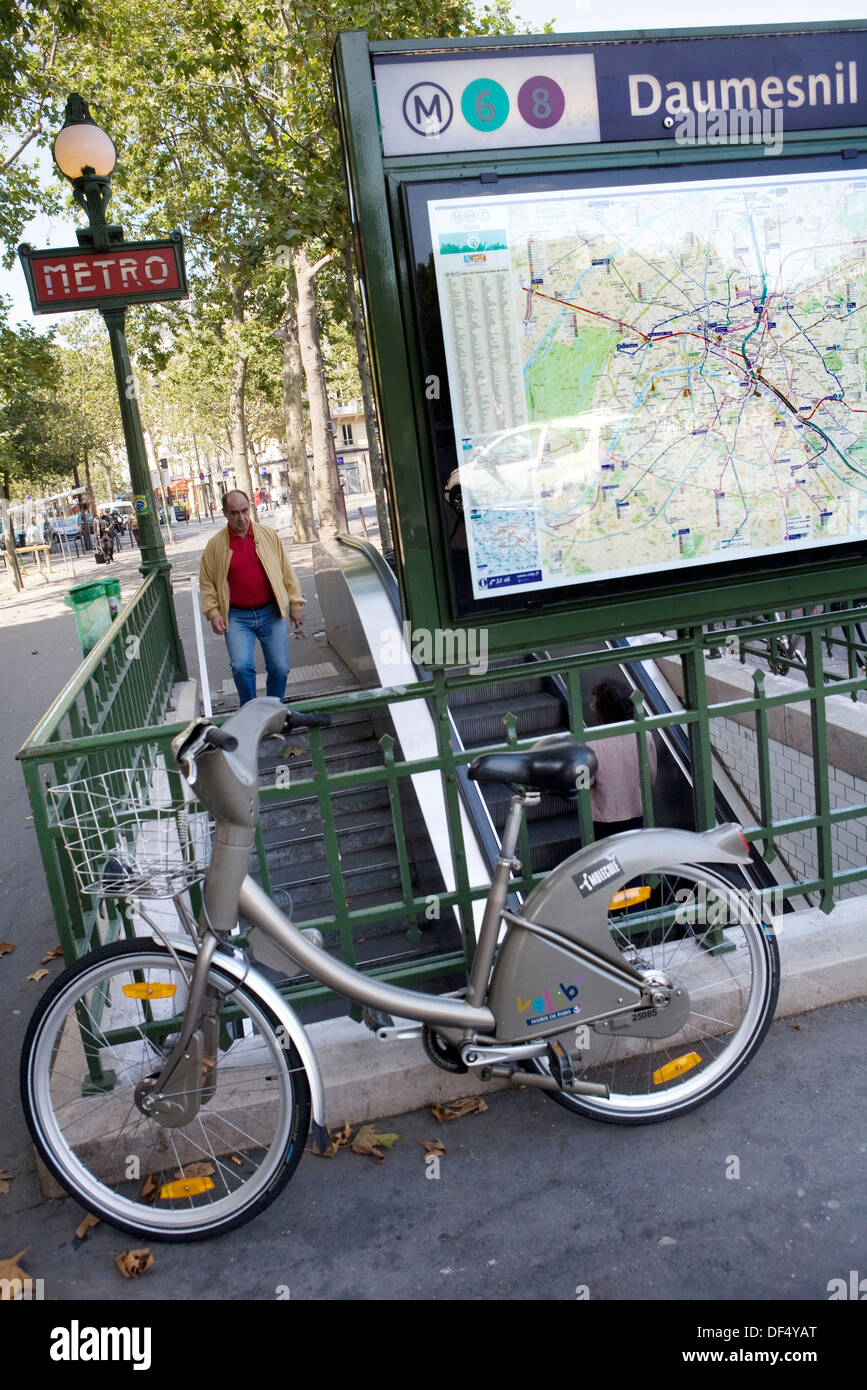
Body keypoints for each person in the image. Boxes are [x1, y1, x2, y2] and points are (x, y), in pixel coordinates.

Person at [199, 489, 305, 706]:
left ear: (251, 508)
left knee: (280, 667)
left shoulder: (267, 535)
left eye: (245, 510)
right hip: (237, 616)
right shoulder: (216, 545)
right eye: (234, 513)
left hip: (270, 612)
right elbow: (207, 581)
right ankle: (250, 709)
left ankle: (273, 709)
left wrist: (295, 603)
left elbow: (286, 571)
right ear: (225, 513)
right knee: (240, 666)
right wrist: (213, 612)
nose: (241, 518)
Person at [589, 677, 657, 839]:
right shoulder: (644, 737)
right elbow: (650, 777)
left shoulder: (590, 744)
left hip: (602, 817)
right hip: (636, 812)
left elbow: (583, 783)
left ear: (601, 712)